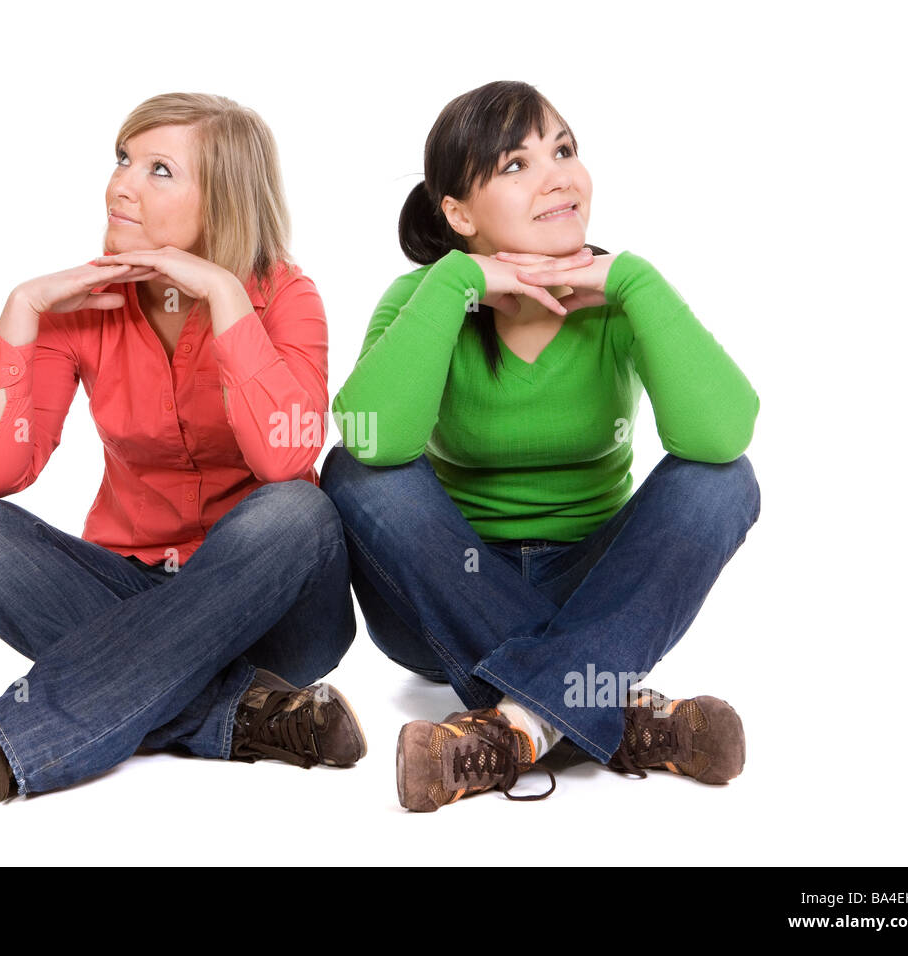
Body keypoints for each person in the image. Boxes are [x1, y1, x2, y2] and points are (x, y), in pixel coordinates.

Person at [0, 92, 363, 825]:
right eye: (123, 159)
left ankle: (2, 746)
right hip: (128, 587)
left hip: (279, 612)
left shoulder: (286, 297)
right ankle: (245, 714)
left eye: (159, 170)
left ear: (222, 201)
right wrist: (21, 313)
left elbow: (286, 456)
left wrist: (225, 297)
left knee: (299, 508)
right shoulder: (84, 304)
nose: (121, 184)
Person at [321, 80, 760, 812]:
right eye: (516, 165)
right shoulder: (421, 296)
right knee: (355, 470)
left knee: (725, 481)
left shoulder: (621, 299)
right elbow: (375, 437)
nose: (558, 175)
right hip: (444, 590)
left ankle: (513, 728)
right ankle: (609, 708)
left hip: (594, 589)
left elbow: (720, 436)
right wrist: (457, 280)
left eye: (564, 150)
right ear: (458, 213)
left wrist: (635, 279)